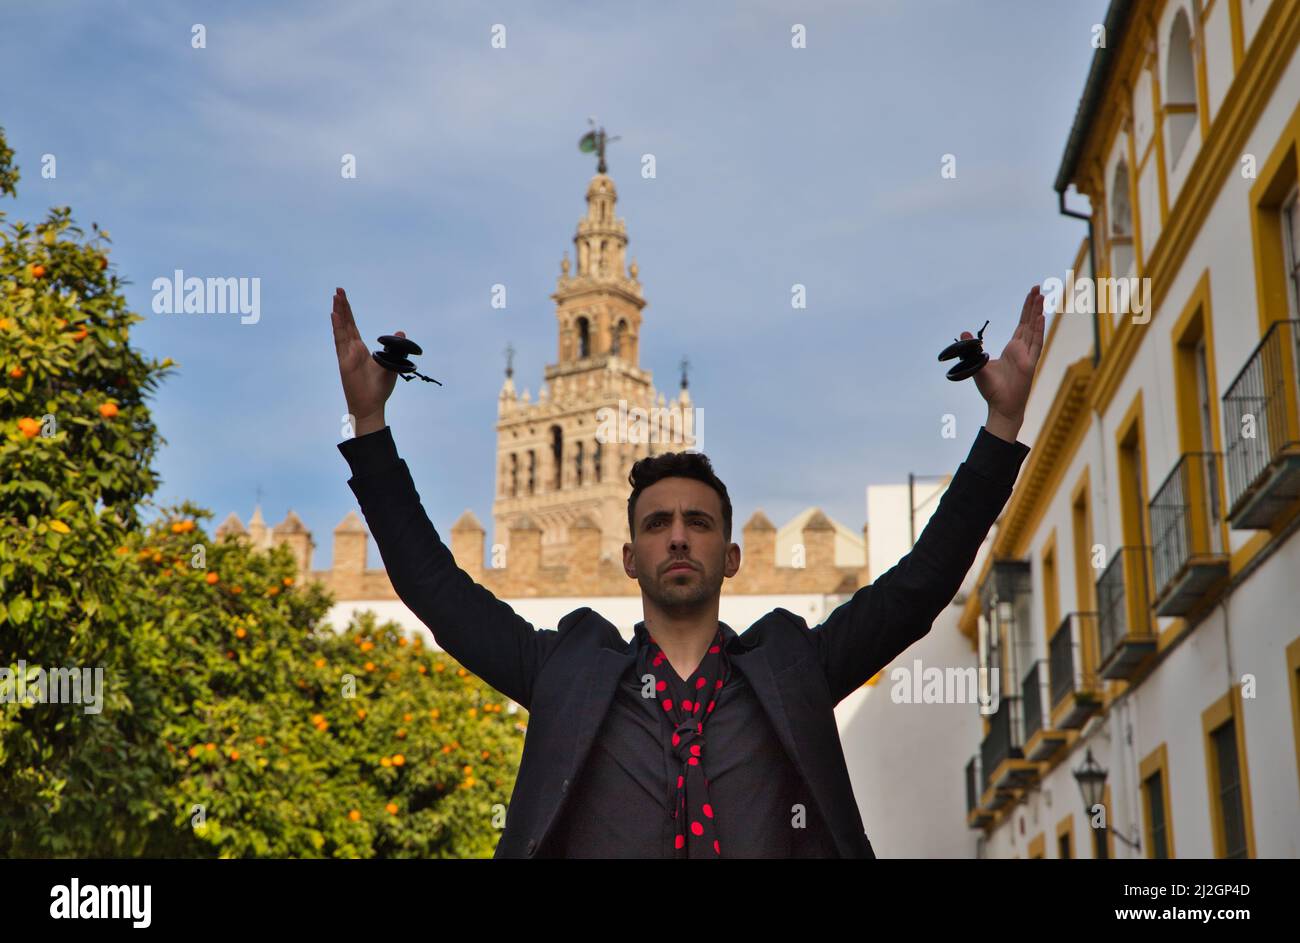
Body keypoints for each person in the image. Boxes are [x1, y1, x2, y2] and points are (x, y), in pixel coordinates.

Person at [329, 285, 1042, 857]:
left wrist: (1000, 429)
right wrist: (370, 427)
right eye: (656, 524)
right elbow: (435, 590)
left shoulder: (795, 669)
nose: (677, 538)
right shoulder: (565, 672)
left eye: (698, 524)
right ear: (629, 557)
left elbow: (920, 586)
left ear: (731, 557)